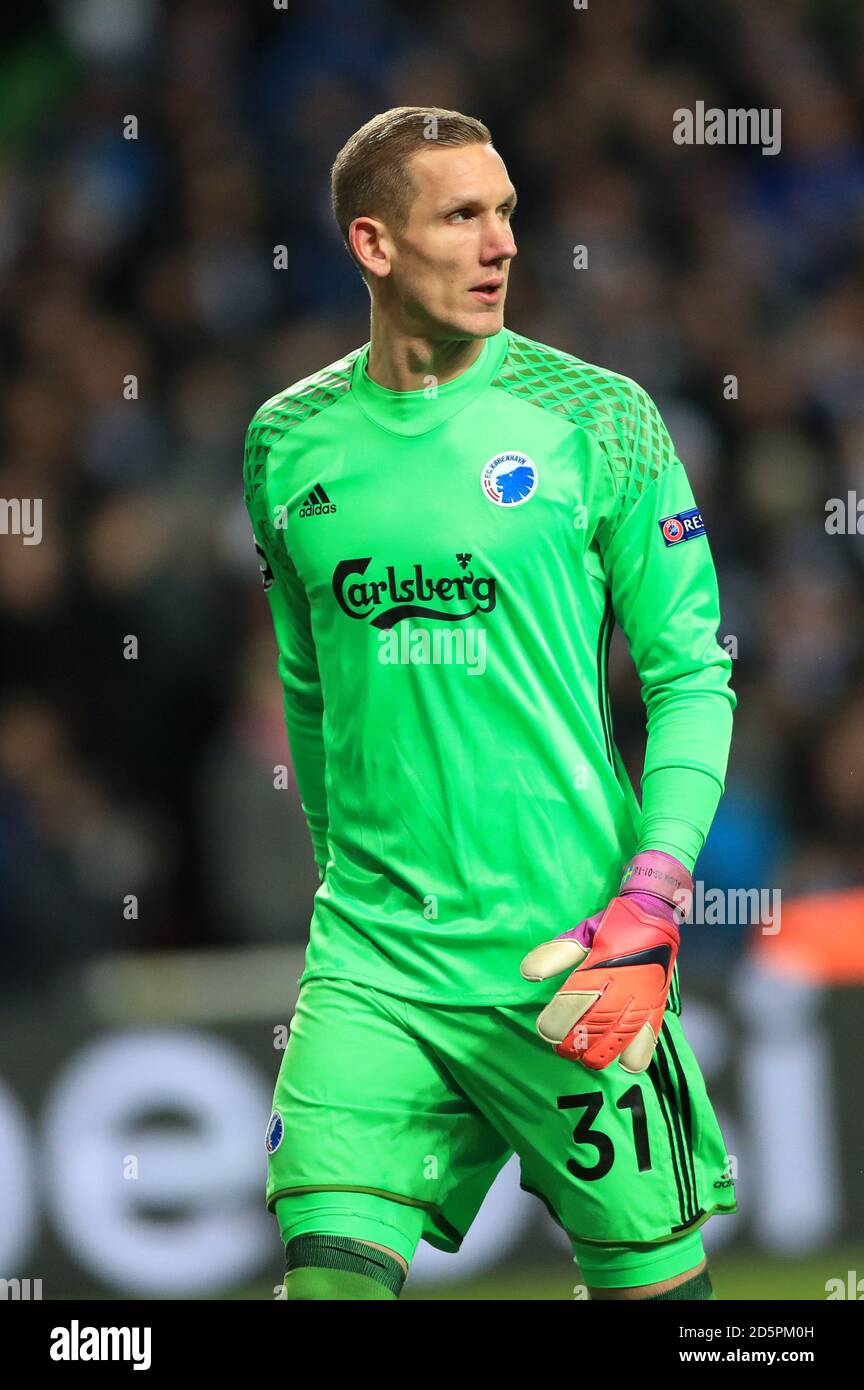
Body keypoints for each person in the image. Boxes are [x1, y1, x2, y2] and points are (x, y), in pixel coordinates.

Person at [244, 106, 737, 1301]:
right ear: (373, 244)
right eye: (462, 215)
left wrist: (656, 891)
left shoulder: (602, 421)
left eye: (506, 210)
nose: (502, 242)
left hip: (576, 953)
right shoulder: (286, 444)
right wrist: (350, 874)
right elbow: (309, 692)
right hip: (376, 963)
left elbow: (691, 673)